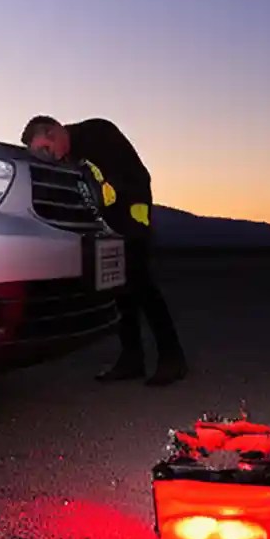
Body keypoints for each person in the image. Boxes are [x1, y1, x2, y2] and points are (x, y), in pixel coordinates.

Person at [20, 115, 189, 386]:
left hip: (131, 215)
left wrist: (121, 207)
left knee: (142, 284)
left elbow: (132, 176)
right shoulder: (69, 158)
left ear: (53, 132)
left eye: (45, 150)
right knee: (117, 288)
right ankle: (131, 359)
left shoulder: (98, 132)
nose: (47, 157)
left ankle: (172, 357)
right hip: (103, 225)